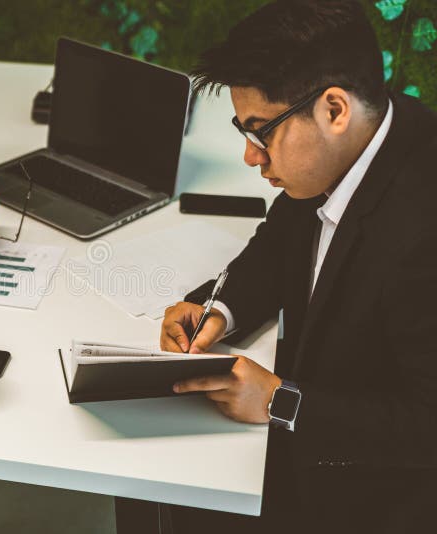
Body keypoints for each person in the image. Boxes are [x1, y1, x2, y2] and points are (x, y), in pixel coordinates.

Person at [159, 1, 437, 532]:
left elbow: (428, 423)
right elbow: (281, 239)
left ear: (334, 110)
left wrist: (283, 404)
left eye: (262, 131)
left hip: (368, 494)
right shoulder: (359, 136)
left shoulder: (424, 237)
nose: (250, 156)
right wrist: (218, 308)